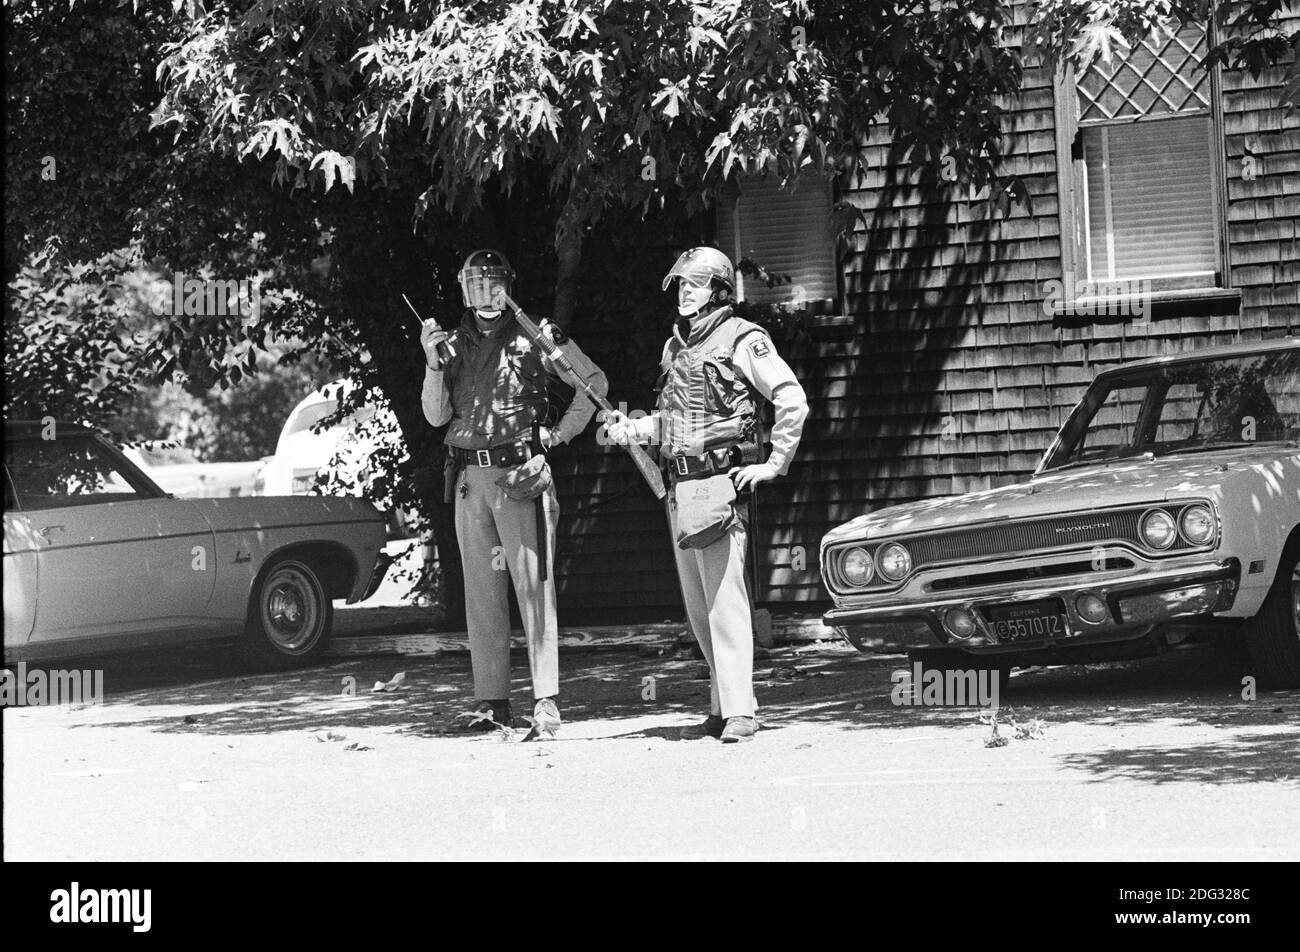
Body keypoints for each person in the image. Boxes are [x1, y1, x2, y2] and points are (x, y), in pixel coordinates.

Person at [606, 247, 809, 743]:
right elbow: (673, 421)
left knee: (725, 603)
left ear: (719, 288)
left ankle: (742, 710)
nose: (685, 292)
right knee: (699, 610)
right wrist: (635, 429)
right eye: (680, 284)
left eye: (695, 283)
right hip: (681, 488)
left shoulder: (744, 338)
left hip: (720, 485)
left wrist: (772, 464)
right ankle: (721, 705)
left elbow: (791, 399)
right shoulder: (675, 348)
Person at [420, 249, 608, 739]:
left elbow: (593, 382)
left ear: (507, 286)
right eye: (476, 286)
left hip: (519, 475)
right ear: (464, 290)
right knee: (480, 594)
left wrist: (557, 436)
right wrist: (431, 363)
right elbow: (435, 417)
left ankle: (545, 701)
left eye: (493, 285)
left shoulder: (535, 332)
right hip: (467, 479)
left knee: (534, 588)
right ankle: (491, 701)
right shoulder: (451, 342)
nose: (486, 296)